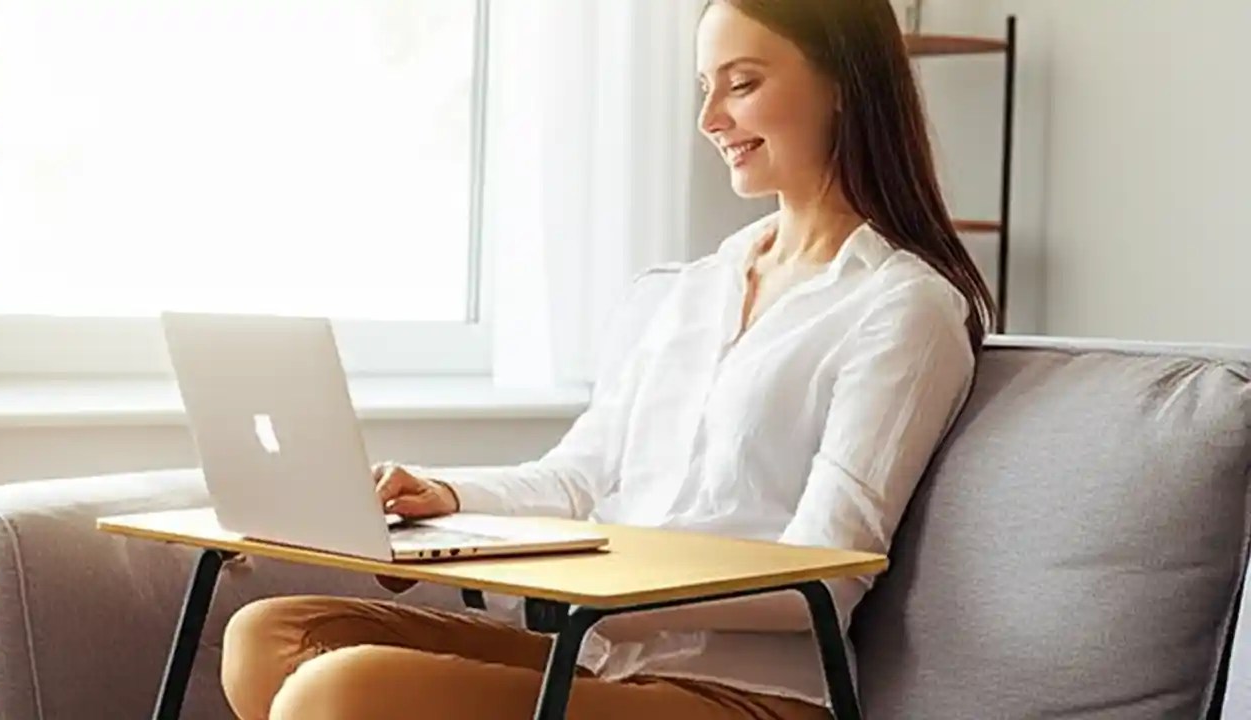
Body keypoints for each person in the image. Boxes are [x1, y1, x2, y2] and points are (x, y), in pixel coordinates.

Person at [220, 0, 995, 718]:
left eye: (743, 84)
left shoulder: (903, 307)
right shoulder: (686, 292)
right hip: (600, 661)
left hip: (747, 692)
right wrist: (447, 495)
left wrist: (596, 584)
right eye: (704, 86)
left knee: (340, 692)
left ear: (843, 84)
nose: (709, 118)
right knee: (272, 635)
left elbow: (824, 577)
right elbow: (578, 479)